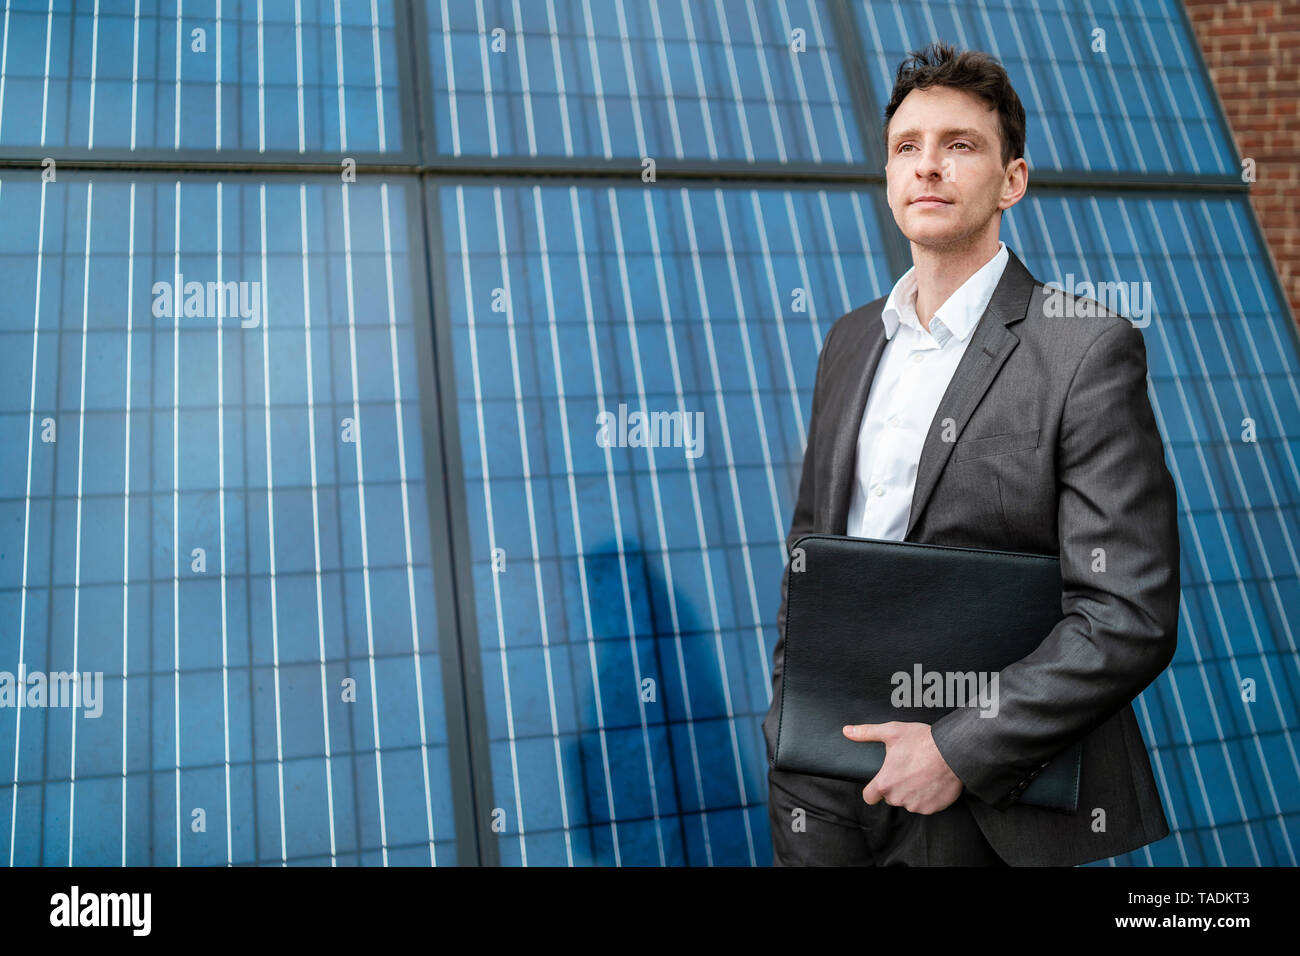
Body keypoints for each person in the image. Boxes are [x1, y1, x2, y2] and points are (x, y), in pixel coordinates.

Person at [762, 41, 1181, 867]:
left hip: (981, 805)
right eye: (907, 148)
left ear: (1012, 180)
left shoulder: (1085, 347)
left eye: (960, 146)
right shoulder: (849, 340)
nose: (928, 168)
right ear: (887, 179)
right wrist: (786, 720)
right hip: (823, 786)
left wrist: (956, 749)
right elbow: (810, 553)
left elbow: (1126, 614)